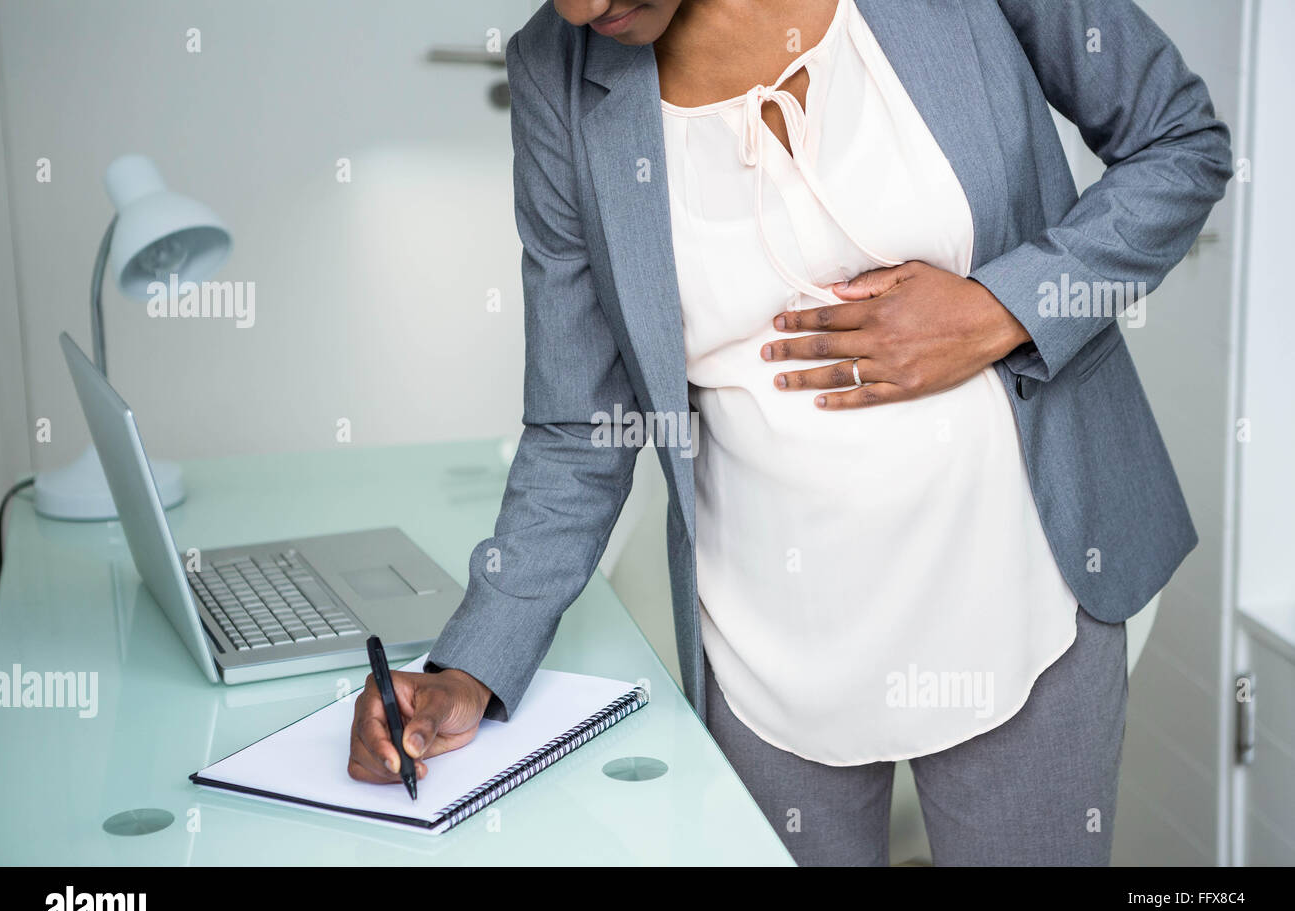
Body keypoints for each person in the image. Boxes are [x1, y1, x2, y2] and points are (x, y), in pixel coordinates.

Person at [347, 0, 1232, 865]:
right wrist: (471, 668)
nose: (583, 10)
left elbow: (1181, 144)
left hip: (1025, 589)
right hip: (764, 649)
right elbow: (581, 426)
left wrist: (1005, 309)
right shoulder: (556, 72)